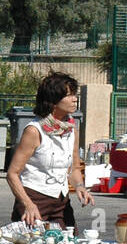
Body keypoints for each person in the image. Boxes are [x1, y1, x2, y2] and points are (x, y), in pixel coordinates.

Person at [6, 71, 94, 227]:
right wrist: (28, 204)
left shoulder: (71, 129)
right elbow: (12, 174)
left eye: (75, 94)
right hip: (34, 200)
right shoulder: (34, 130)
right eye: (69, 95)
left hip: (61, 202)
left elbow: (73, 168)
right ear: (54, 101)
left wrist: (80, 187)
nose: (75, 99)